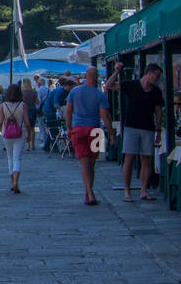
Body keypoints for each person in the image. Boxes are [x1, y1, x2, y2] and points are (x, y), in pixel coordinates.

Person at [106, 61, 164, 202]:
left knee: (146, 160)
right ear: (148, 73)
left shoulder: (156, 91)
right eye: (156, 75)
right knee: (129, 159)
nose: (157, 79)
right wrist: (116, 71)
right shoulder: (131, 85)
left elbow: (158, 111)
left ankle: (144, 190)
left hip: (148, 128)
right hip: (131, 127)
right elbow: (109, 86)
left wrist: (158, 130)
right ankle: (127, 191)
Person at [65, 66, 113, 206]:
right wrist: (110, 132)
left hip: (79, 129)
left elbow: (68, 111)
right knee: (92, 164)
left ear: (86, 76)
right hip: (95, 130)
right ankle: (90, 192)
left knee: (84, 164)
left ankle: (89, 193)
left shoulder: (74, 91)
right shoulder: (100, 95)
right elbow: (104, 115)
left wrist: (69, 128)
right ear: (97, 77)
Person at [0, 82, 28, 193]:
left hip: (7, 134)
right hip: (21, 133)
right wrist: (28, 135)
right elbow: (27, 123)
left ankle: (12, 182)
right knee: (17, 158)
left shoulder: (3, 106)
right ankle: (16, 181)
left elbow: (0, 122)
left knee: (10, 158)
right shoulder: (23, 105)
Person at [22, 78, 39, 150]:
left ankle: (27, 145)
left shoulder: (22, 92)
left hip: (24, 110)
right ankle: (33, 145)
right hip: (32, 110)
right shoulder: (34, 92)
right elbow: (37, 102)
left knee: (26, 128)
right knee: (32, 128)